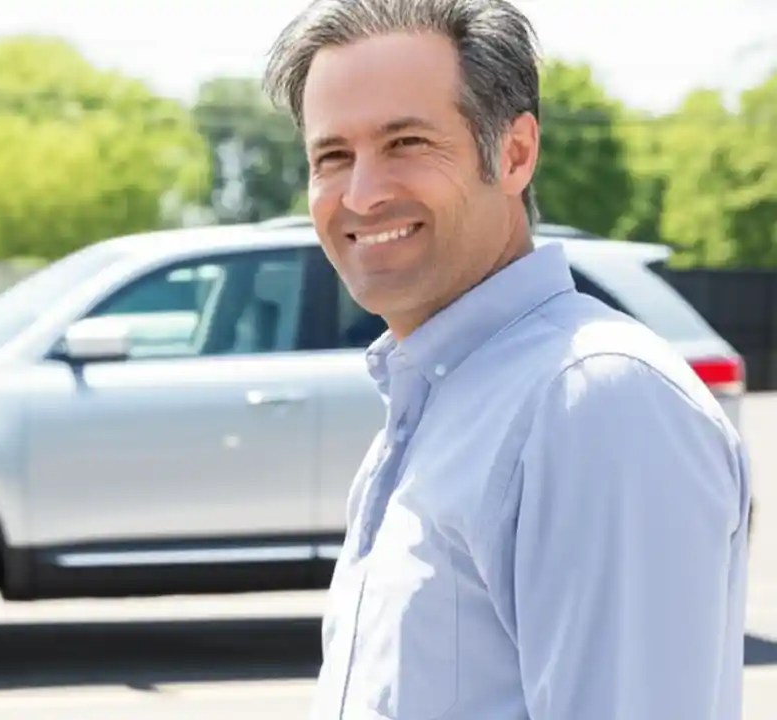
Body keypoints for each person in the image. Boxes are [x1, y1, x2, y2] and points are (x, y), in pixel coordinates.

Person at [262, 1, 751, 718]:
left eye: (406, 143)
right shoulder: (436, 400)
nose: (361, 194)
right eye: (332, 157)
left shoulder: (590, 401)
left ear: (516, 153)